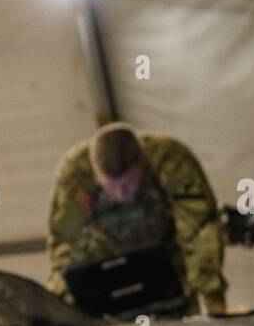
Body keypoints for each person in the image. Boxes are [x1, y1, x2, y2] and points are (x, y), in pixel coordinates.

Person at [45, 122, 227, 315]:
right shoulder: (75, 174)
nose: (121, 193)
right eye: (112, 185)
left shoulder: (171, 160)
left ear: (142, 161)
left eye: (128, 182)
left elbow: (199, 228)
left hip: (167, 264)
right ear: (95, 172)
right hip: (106, 266)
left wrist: (213, 298)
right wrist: (66, 309)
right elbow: (64, 245)